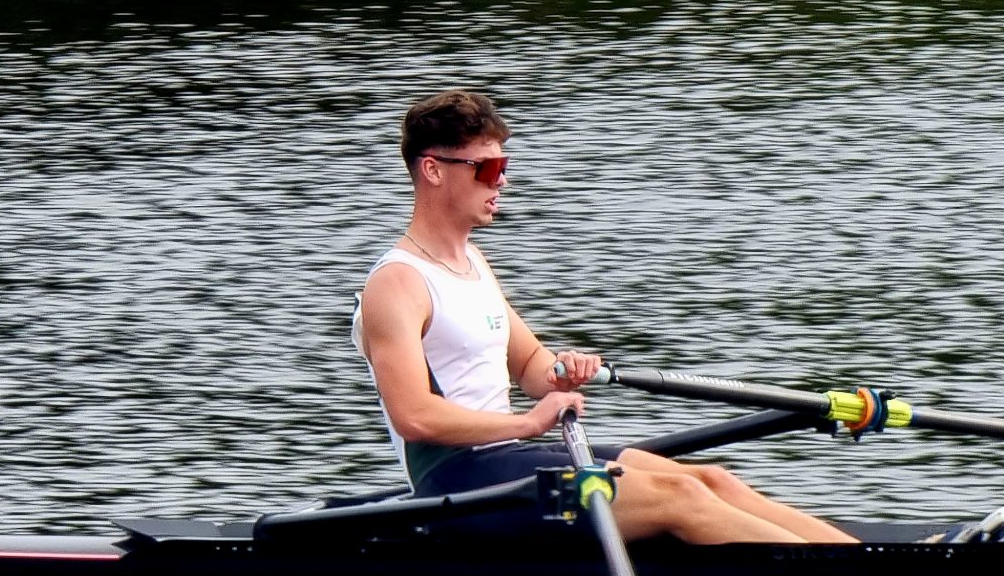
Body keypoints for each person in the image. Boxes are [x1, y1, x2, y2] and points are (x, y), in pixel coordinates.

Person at [353, 90, 856, 545]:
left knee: (712, 479)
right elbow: (414, 415)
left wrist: (562, 371)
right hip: (458, 482)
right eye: (486, 168)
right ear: (433, 170)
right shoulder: (397, 283)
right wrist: (530, 423)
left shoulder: (472, 263)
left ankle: (859, 557)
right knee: (680, 496)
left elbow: (530, 364)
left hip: (505, 458)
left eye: (504, 164)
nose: (501, 180)